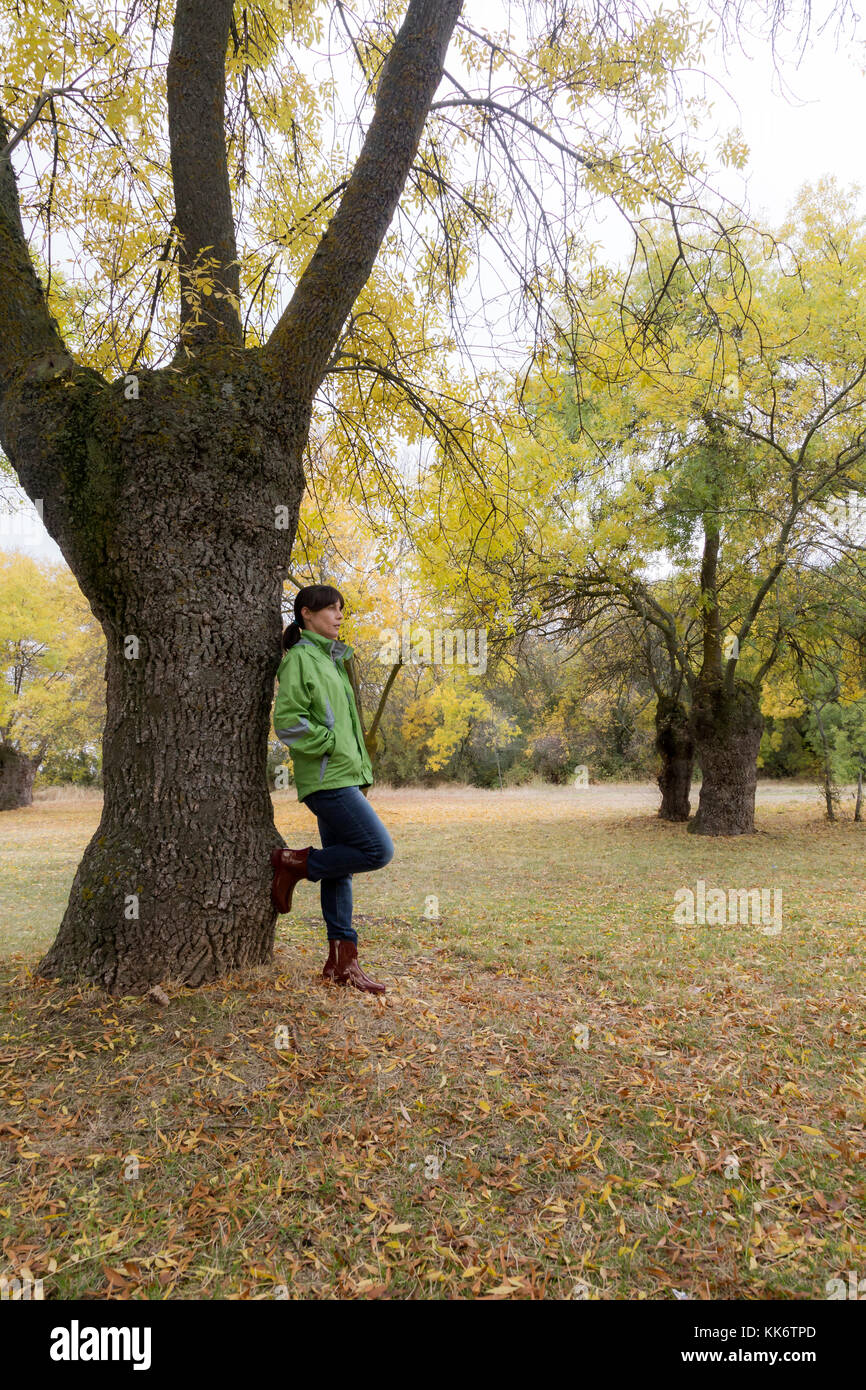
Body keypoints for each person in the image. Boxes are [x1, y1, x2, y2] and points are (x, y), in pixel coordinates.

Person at [270, 584, 394, 994]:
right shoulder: (299, 661)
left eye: (342, 610)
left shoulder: (333, 662)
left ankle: (341, 963)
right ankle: (295, 864)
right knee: (378, 851)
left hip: (345, 775)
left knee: (341, 871)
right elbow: (288, 720)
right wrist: (327, 744)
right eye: (331, 610)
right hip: (327, 778)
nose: (339, 617)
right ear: (306, 614)